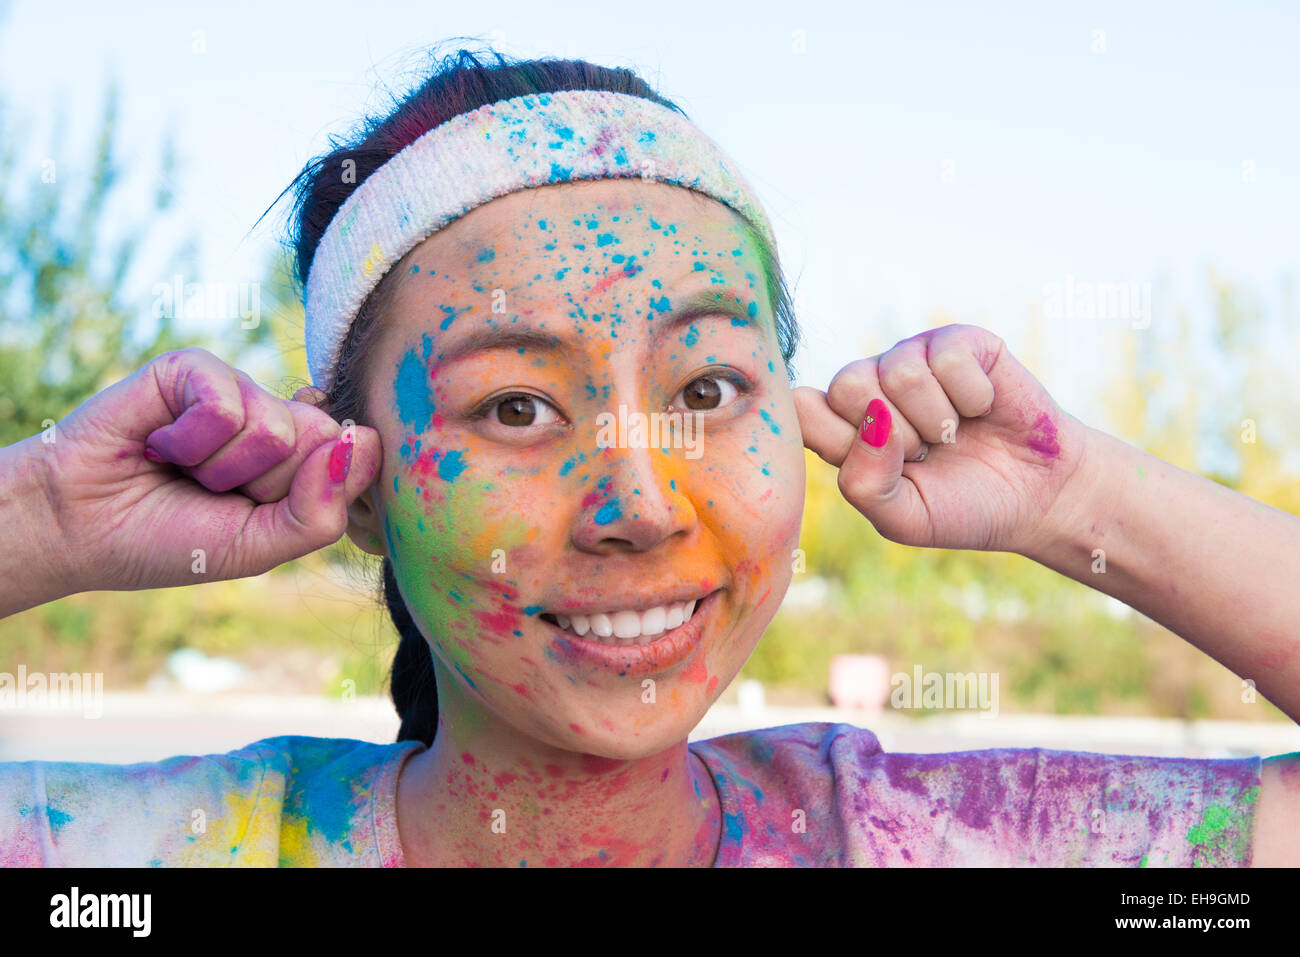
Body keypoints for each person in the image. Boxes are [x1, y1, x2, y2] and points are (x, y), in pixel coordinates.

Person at [1, 48, 1297, 867]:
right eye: (513, 408)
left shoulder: (925, 843)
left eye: (709, 387)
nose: (636, 501)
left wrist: (1077, 495)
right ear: (355, 476)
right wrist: (48, 506)